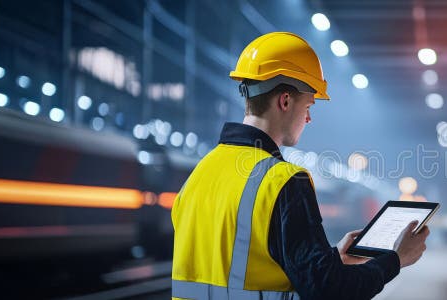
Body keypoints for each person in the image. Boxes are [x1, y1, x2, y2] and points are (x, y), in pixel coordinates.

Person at [170, 32, 430, 300]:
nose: (308, 119)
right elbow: (329, 291)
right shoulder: (283, 180)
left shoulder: (200, 173)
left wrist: (331, 259)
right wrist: (395, 260)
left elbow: (232, 263)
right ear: (285, 101)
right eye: (308, 105)